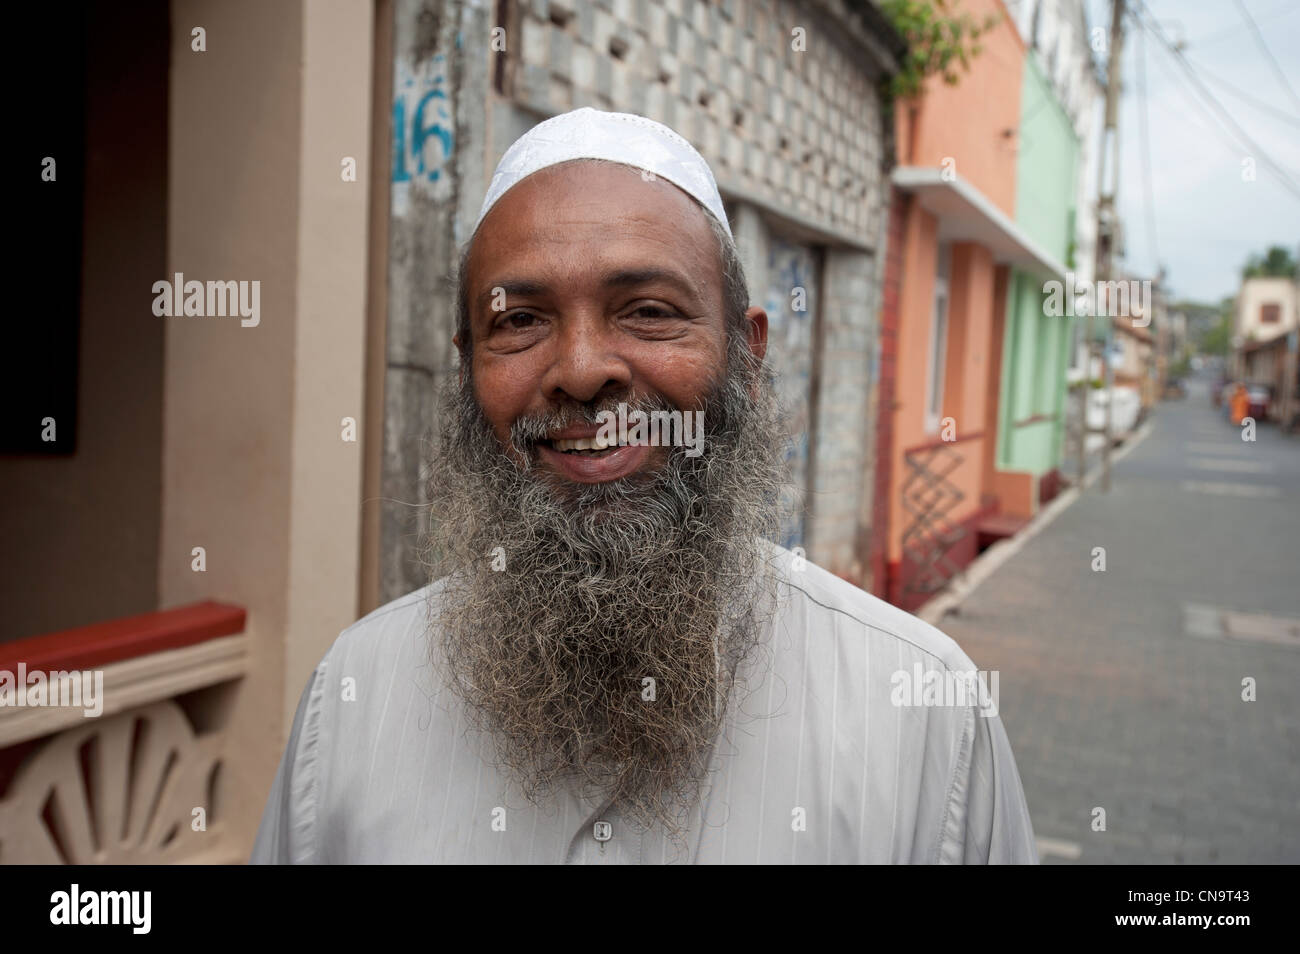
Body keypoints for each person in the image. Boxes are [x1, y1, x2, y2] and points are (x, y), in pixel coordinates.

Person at [250, 108, 1038, 864]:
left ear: (747, 356)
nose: (584, 371)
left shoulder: (925, 715)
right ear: (468, 366)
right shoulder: (355, 697)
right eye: (521, 321)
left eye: (649, 311)